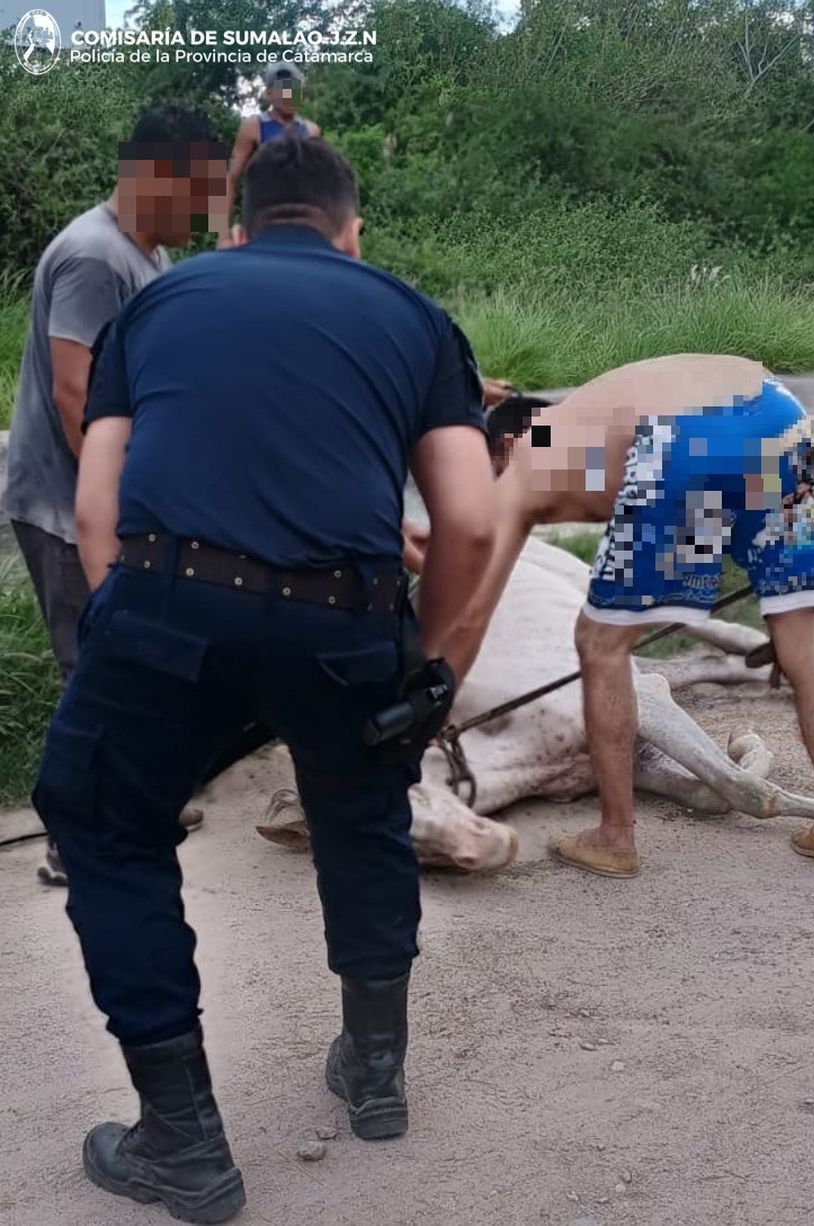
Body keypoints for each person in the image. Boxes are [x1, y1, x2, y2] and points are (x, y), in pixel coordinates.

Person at [32, 135, 495, 1224]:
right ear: (351, 230)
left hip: (170, 599)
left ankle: (183, 1142)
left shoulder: (157, 301)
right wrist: (418, 660)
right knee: (361, 804)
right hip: (344, 618)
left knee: (101, 814)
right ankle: (375, 1076)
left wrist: (122, 634)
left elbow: (98, 511)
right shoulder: (418, 319)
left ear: (236, 228)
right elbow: (467, 518)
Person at [413, 356, 814, 877]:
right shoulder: (590, 419)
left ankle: (615, 837)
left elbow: (471, 619)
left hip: (682, 434)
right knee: (804, 645)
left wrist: (429, 706)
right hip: (780, 413)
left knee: (600, 644)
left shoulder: (526, 461)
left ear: (506, 447)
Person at [1, 104, 230, 886]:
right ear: (157, 175)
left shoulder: (147, 256)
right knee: (92, 666)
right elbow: (77, 396)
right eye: (200, 191)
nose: (206, 211)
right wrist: (125, 507)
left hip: (107, 504)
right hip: (70, 512)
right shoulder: (95, 257)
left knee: (127, 660)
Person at [219, 61, 321, 247]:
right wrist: (223, 234)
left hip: (301, 228)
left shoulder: (310, 131)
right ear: (269, 93)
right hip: (261, 226)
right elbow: (230, 179)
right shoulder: (254, 127)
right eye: (282, 88)